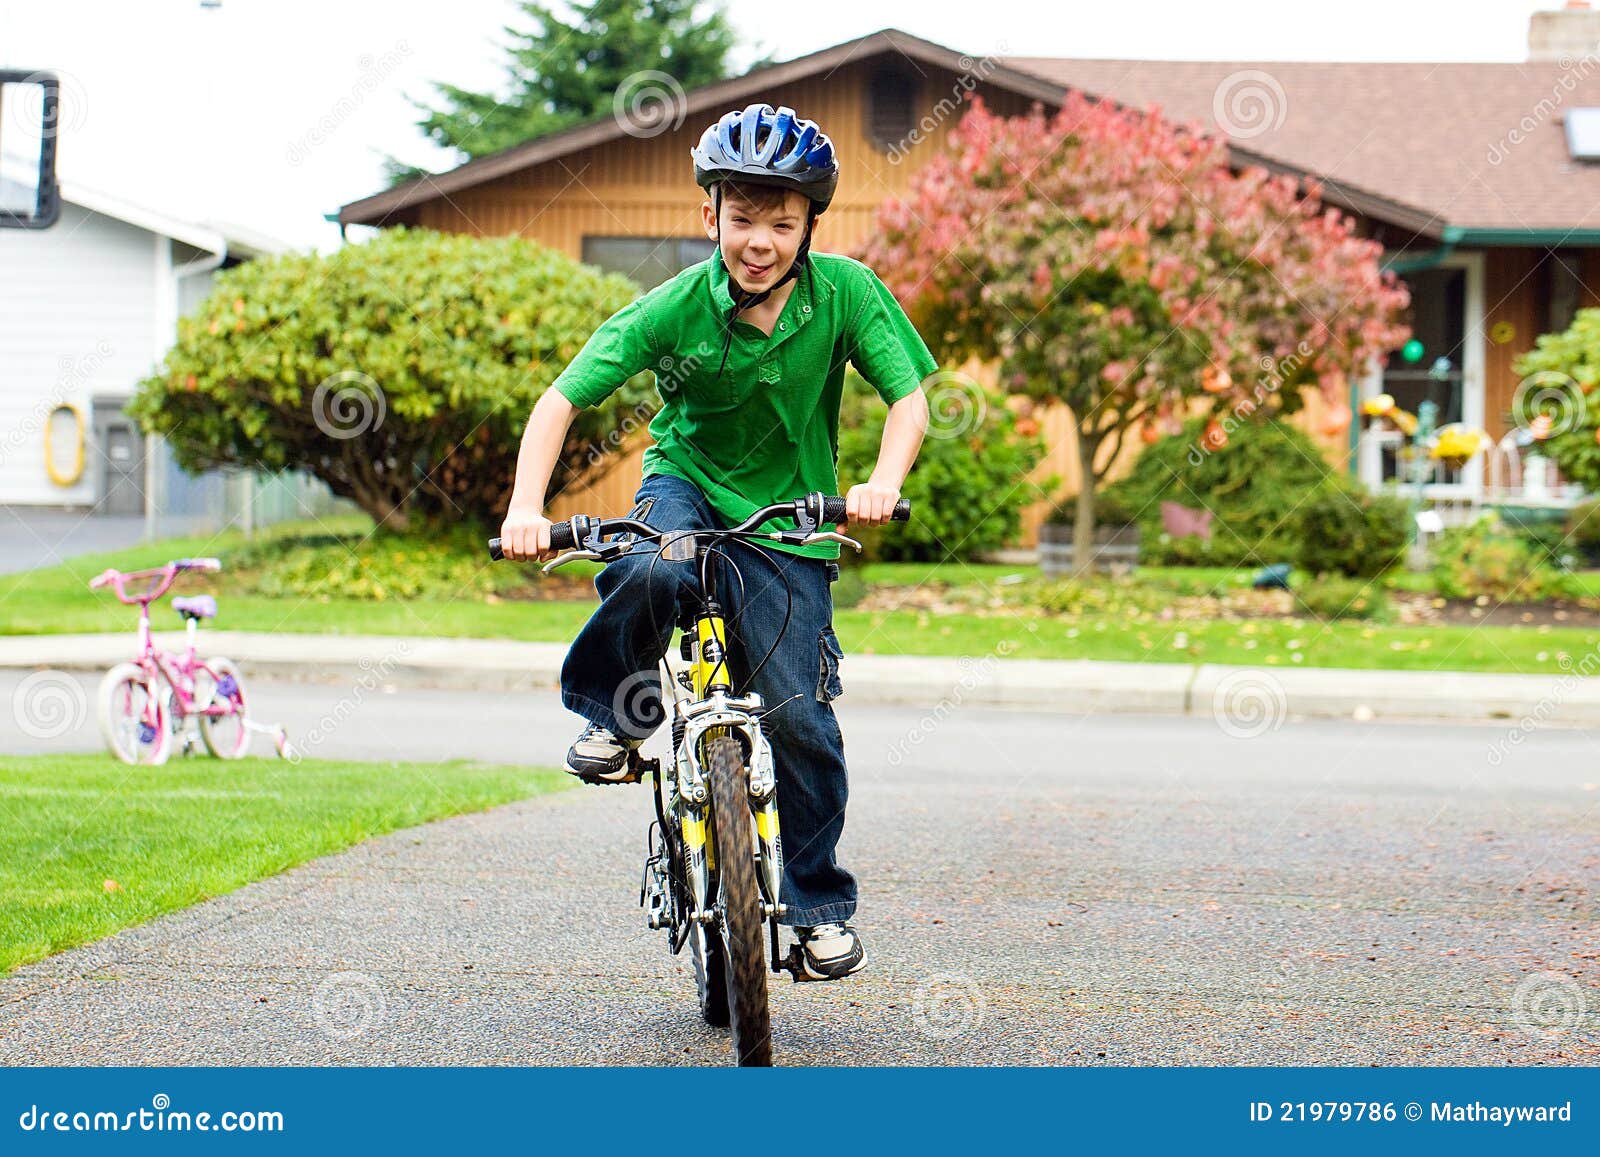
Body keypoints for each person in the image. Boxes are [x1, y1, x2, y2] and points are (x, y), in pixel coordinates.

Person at [497, 102, 934, 981]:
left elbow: (909, 401)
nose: (760, 241)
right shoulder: (675, 309)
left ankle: (815, 909)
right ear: (712, 217)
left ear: (810, 227)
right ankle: (619, 717)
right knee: (654, 567)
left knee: (799, 715)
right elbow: (561, 399)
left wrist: (881, 482)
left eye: (783, 223)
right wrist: (524, 506)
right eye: (743, 219)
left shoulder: (846, 294)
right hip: (686, 485)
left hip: (791, 516)